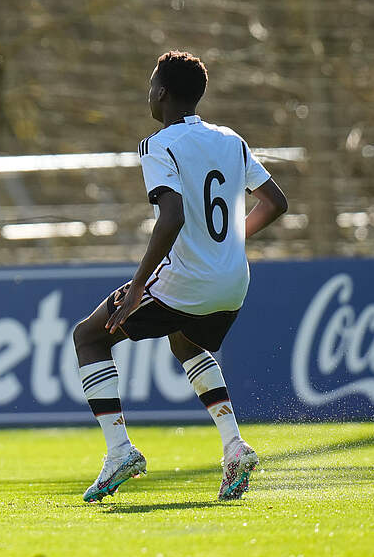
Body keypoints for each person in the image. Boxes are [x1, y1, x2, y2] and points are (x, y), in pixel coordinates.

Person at [72, 51, 288, 503]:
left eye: (152, 84)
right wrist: (228, 242)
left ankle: (119, 452)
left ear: (162, 92)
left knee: (89, 336)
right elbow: (274, 203)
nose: (148, 93)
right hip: (234, 281)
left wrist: (135, 289)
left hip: (188, 279)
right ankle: (234, 447)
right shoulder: (231, 139)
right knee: (185, 339)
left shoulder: (157, 144)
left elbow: (169, 217)